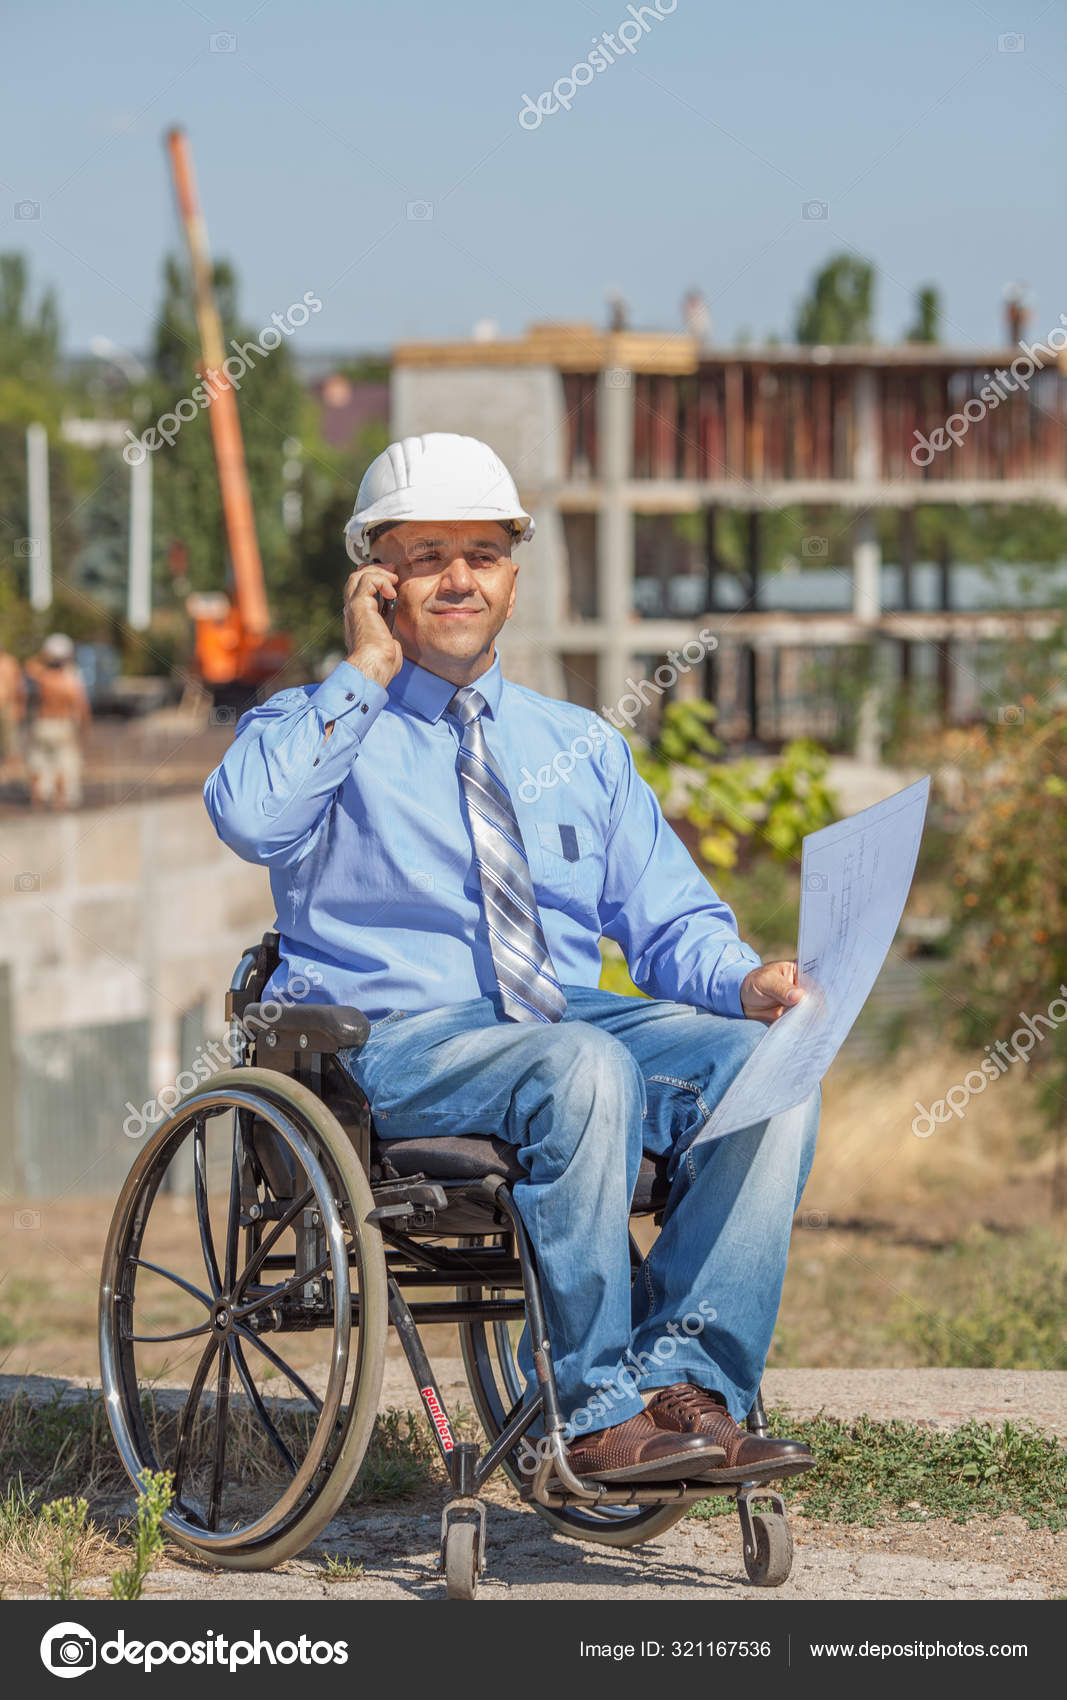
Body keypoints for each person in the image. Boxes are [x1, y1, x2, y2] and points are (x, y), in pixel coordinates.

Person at [205, 433, 819, 1485]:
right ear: (375, 576)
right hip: (393, 1040)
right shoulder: (310, 727)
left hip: (565, 1014)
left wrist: (742, 977)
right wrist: (361, 673)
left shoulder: (578, 743)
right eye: (426, 552)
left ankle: (687, 1383)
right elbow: (252, 821)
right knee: (580, 1061)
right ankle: (592, 1411)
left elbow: (667, 920)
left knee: (772, 1065)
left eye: (481, 553)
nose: (456, 576)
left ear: (511, 575)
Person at [24, 632, 91, 809]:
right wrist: (85, 726)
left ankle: (38, 797)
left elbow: (29, 666)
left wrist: (44, 655)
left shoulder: (42, 677)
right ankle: (60, 798)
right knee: (64, 761)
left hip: (42, 724)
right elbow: (82, 705)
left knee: (39, 761)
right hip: (62, 724)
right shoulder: (69, 680)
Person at [0, 644, 27, 780]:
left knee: (9, 738)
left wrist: (20, 705)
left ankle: (10, 768)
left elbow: (19, 686)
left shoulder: (10, 663)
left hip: (7, 705)